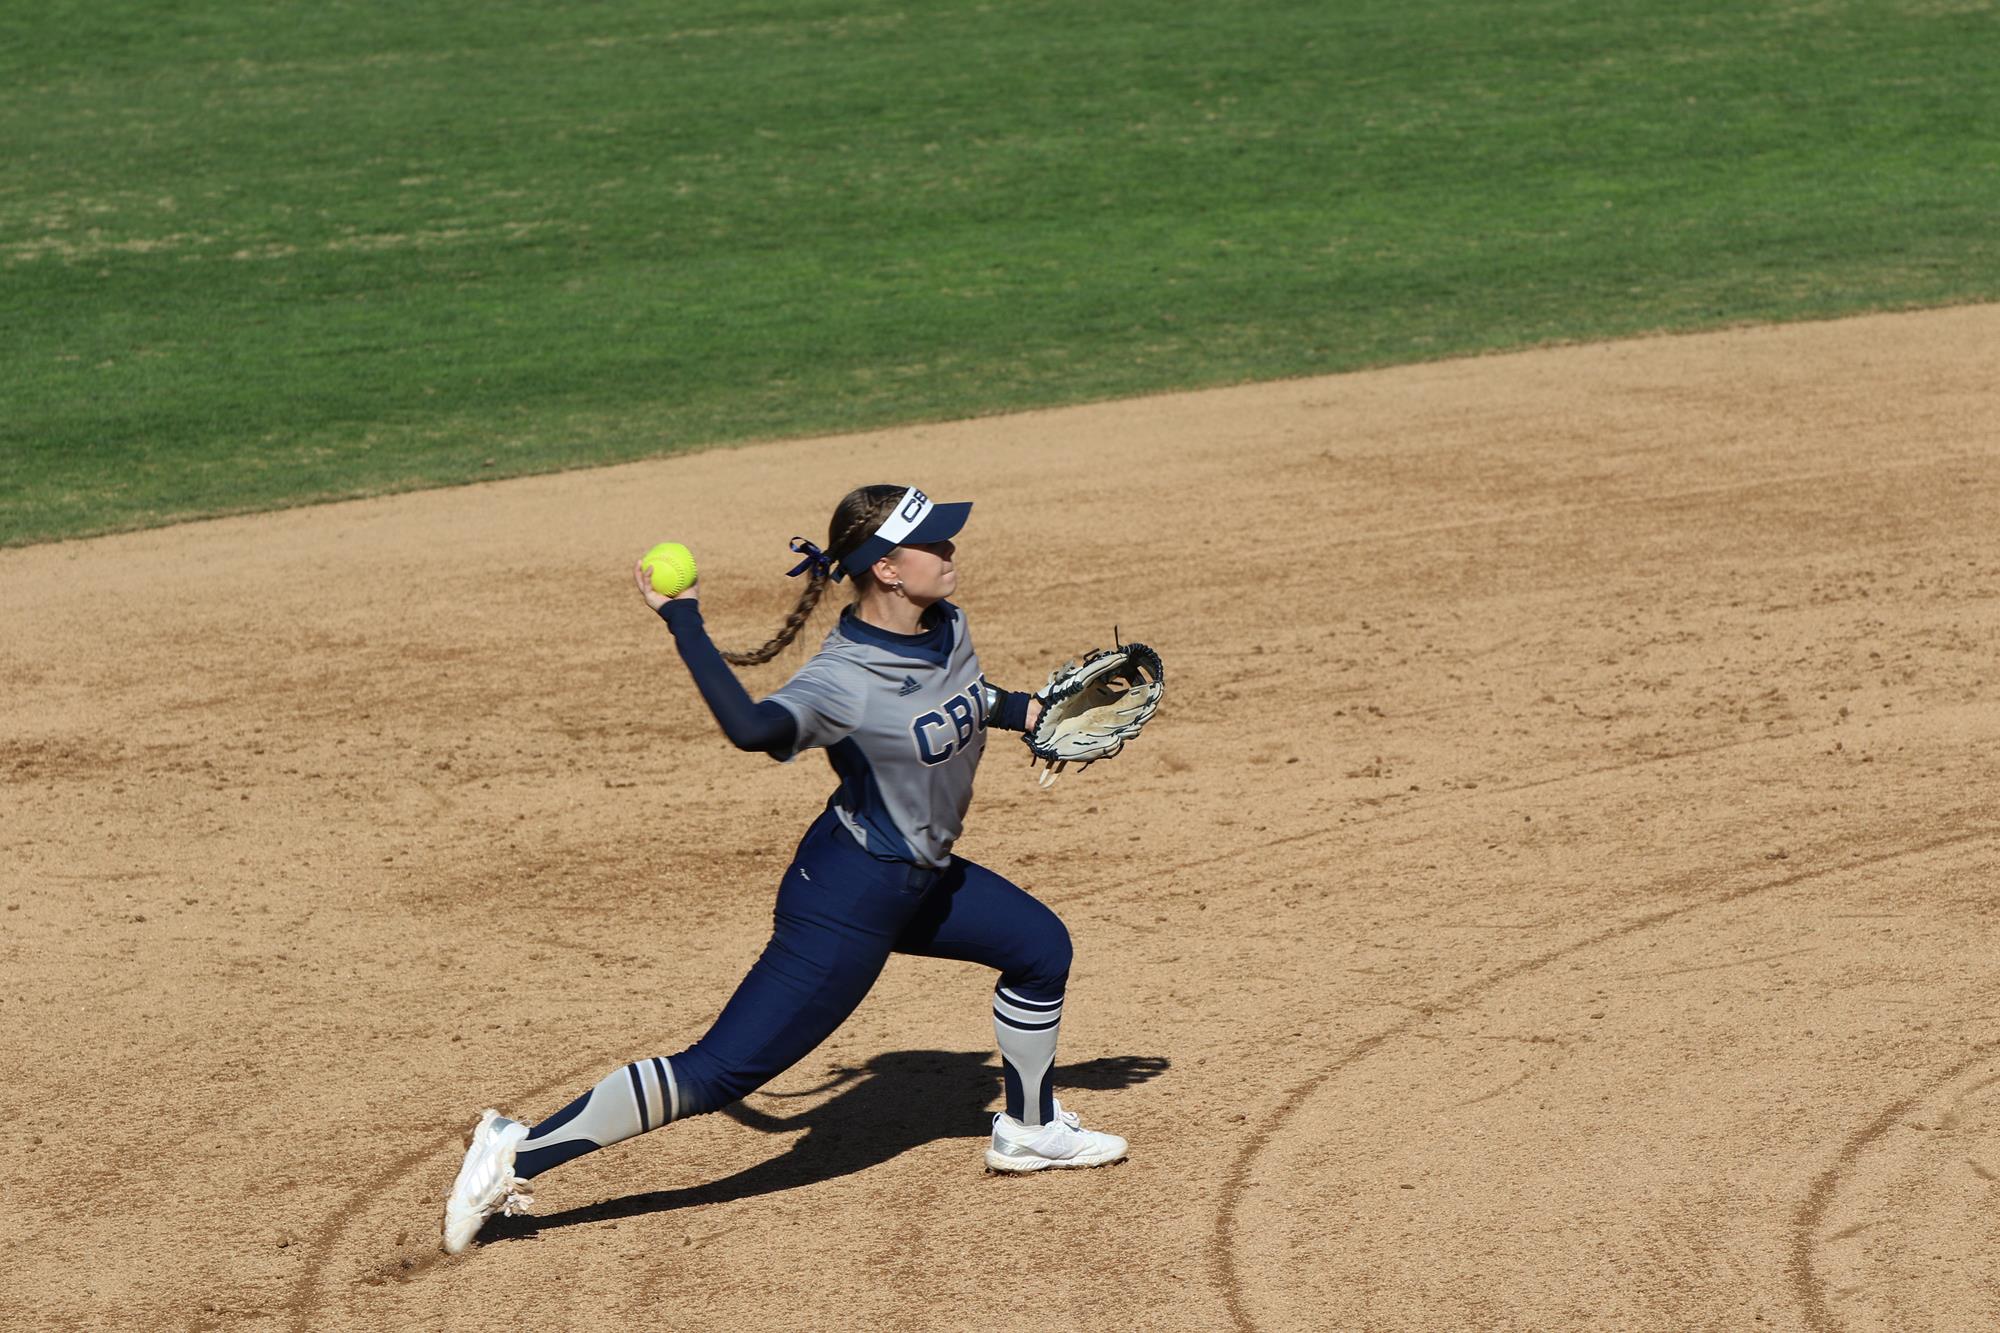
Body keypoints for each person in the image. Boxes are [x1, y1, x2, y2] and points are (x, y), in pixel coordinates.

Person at [442, 484, 1129, 1254]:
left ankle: (1030, 1129)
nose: (950, 550)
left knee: (1040, 949)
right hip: (849, 898)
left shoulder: (947, 625)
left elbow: (965, 694)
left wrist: (1026, 711)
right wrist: (683, 618)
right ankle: (514, 1150)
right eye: (932, 543)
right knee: (718, 1072)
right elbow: (750, 728)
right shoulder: (842, 679)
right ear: (889, 571)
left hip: (923, 881)